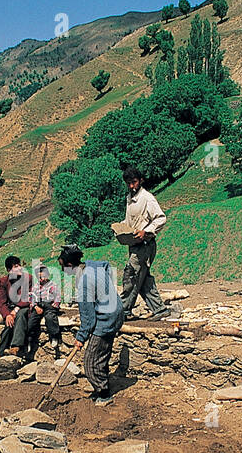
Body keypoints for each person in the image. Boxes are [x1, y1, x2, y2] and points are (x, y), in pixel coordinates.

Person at [60, 244, 123, 407]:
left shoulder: (83, 283)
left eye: (62, 267)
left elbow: (88, 320)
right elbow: (107, 267)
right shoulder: (94, 266)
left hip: (106, 319)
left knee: (90, 362)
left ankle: (104, 394)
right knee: (102, 353)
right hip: (116, 312)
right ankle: (104, 382)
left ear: (68, 265)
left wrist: (80, 338)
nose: (62, 271)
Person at [120, 172, 171, 321]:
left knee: (131, 275)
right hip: (134, 244)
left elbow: (161, 218)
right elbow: (131, 220)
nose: (131, 186)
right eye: (128, 183)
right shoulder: (129, 198)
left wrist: (146, 231)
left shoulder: (147, 199)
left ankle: (124, 310)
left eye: (134, 182)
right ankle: (159, 309)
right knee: (142, 278)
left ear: (141, 181)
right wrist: (121, 227)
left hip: (145, 244)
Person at [0, 256, 39, 359]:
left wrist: (15, 310)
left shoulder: (27, 278)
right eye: (16, 266)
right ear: (9, 270)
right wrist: (7, 315)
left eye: (20, 265)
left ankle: (16, 346)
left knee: (20, 315)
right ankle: (0, 353)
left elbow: (27, 297)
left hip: (24, 306)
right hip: (10, 309)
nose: (20, 268)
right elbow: (1, 302)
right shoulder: (4, 281)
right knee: (8, 324)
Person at [33, 262, 63, 358]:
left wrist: (55, 304)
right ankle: (30, 338)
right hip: (39, 306)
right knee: (32, 319)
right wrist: (35, 306)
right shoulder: (36, 287)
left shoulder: (52, 285)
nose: (42, 278)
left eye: (44, 275)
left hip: (49, 306)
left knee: (50, 317)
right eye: (40, 277)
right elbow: (32, 298)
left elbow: (57, 297)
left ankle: (54, 336)